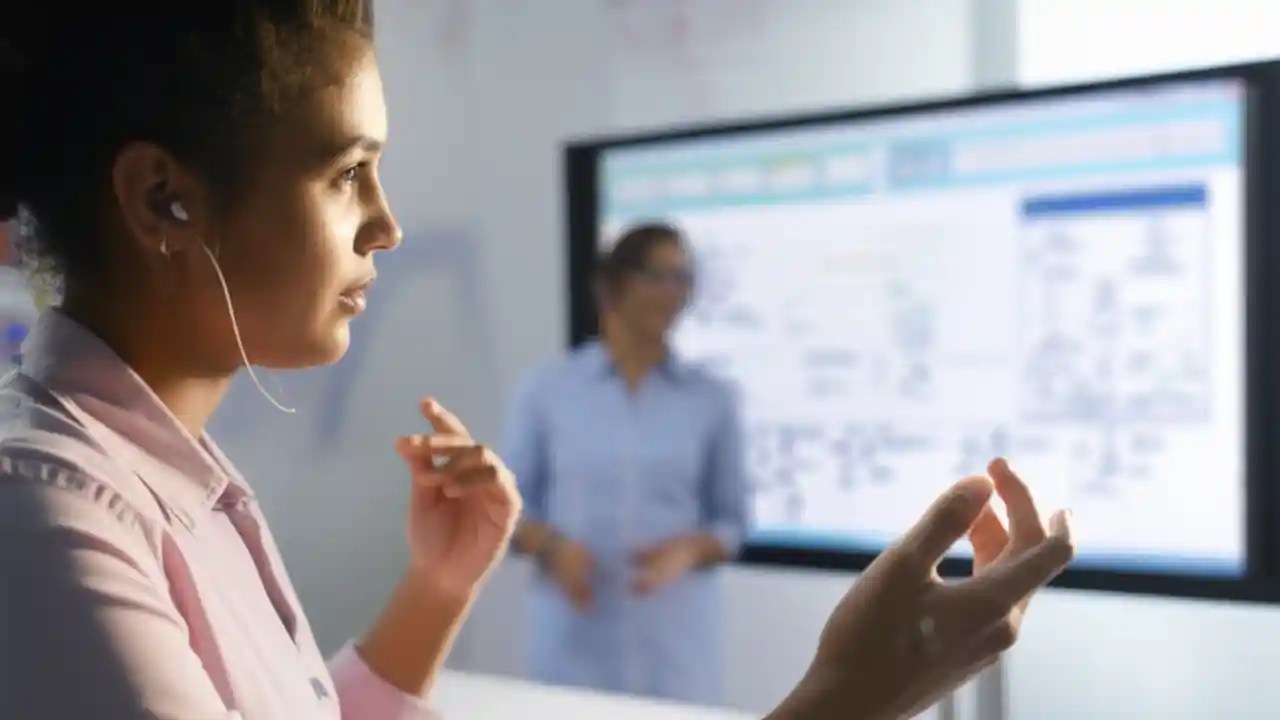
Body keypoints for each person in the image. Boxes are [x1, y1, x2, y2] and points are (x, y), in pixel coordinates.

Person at [0, 3, 1075, 719]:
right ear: (164, 199)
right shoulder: (48, 517)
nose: (386, 225)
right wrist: (851, 698)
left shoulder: (169, 480)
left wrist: (437, 589)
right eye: (346, 172)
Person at [503, 223, 746, 703]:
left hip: (674, 648)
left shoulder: (711, 398)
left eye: (683, 279)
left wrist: (690, 550)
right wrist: (552, 546)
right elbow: (505, 509)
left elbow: (732, 522)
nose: (674, 293)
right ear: (611, 285)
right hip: (573, 643)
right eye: (659, 276)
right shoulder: (548, 390)